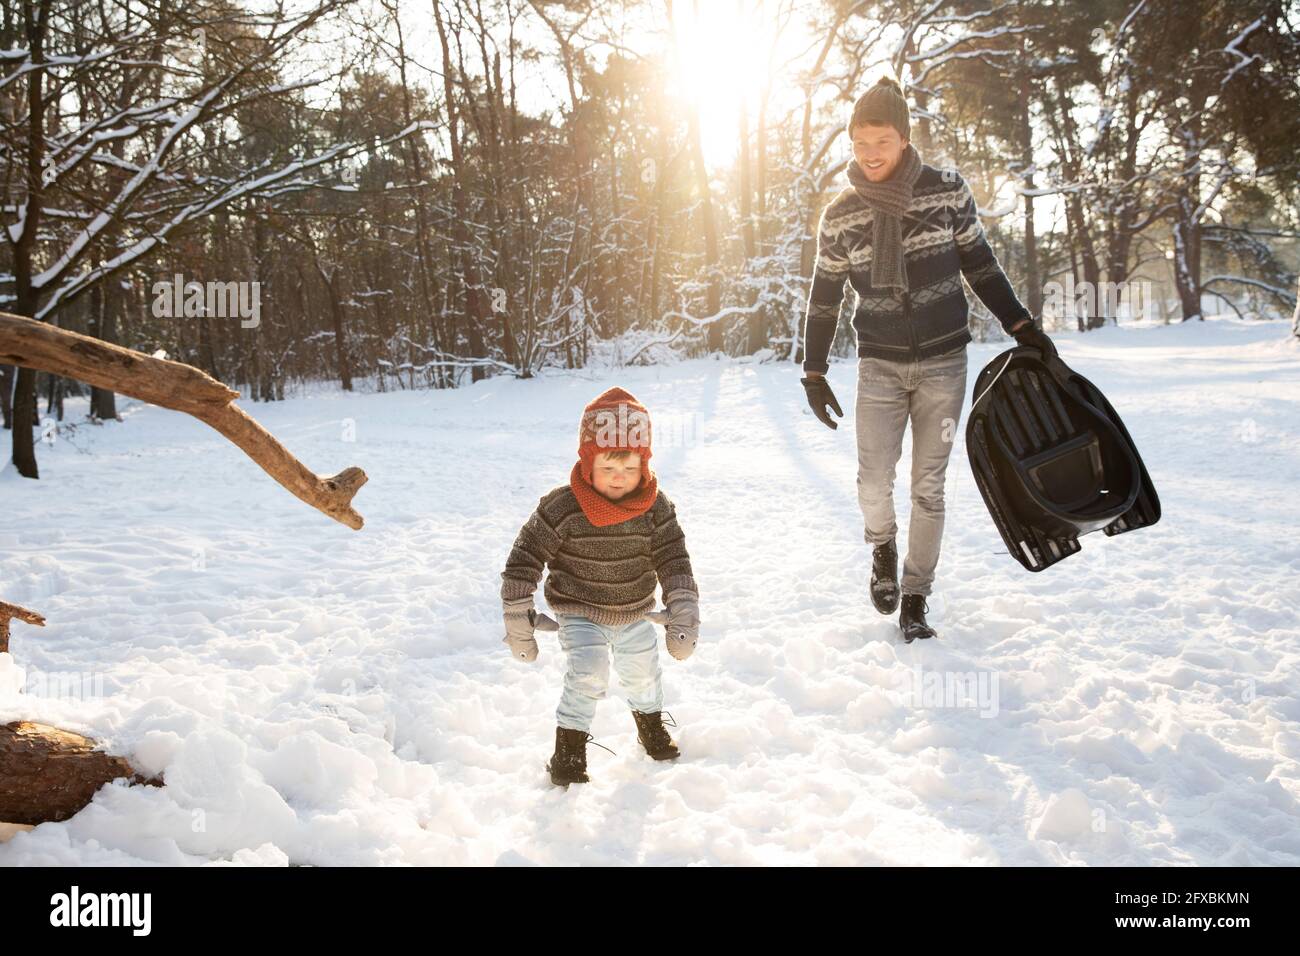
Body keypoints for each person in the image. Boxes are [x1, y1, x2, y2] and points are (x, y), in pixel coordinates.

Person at [799, 75, 1056, 643]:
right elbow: (824, 297)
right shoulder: (841, 214)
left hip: (944, 363)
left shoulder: (945, 190)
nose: (870, 154)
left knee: (929, 487)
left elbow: (980, 264)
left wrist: (1022, 326)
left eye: (881, 142)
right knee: (873, 480)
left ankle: (915, 596)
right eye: (860, 143)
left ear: (904, 139)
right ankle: (883, 549)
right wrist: (813, 371)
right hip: (880, 366)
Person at [499, 386, 700, 786]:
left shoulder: (656, 508)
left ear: (644, 465)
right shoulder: (561, 507)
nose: (618, 479)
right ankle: (569, 753)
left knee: (643, 673)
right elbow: (525, 556)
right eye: (608, 468)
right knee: (589, 673)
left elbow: (673, 557)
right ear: (588, 463)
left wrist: (684, 608)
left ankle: (651, 726)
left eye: (629, 469)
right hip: (579, 608)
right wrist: (517, 615)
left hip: (636, 609)